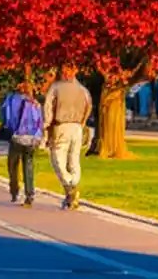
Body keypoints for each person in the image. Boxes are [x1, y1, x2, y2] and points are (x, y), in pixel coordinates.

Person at [43, 63, 90, 210]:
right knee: (74, 160)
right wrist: (82, 123)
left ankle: (70, 187)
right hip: (77, 126)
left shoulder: (56, 88)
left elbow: (48, 107)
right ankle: (73, 187)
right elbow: (88, 107)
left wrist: (46, 125)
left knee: (58, 160)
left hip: (61, 125)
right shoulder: (83, 90)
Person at [0, 80, 44, 206]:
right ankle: (29, 194)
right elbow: (40, 122)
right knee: (28, 165)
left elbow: (7, 117)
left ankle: (14, 190)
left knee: (13, 165)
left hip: (17, 137)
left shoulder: (12, 100)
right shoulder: (35, 104)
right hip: (32, 138)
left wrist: (9, 129)